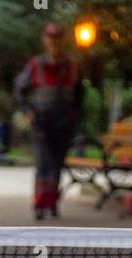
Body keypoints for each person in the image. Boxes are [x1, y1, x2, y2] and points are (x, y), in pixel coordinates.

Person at [14, 22, 83, 219]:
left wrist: (73, 115)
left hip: (64, 124)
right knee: (43, 164)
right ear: (45, 40)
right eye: (51, 38)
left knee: (57, 165)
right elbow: (19, 89)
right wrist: (28, 111)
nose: (55, 42)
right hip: (41, 123)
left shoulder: (73, 65)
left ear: (63, 40)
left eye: (58, 38)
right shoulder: (36, 65)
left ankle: (52, 204)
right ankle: (39, 205)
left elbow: (80, 94)